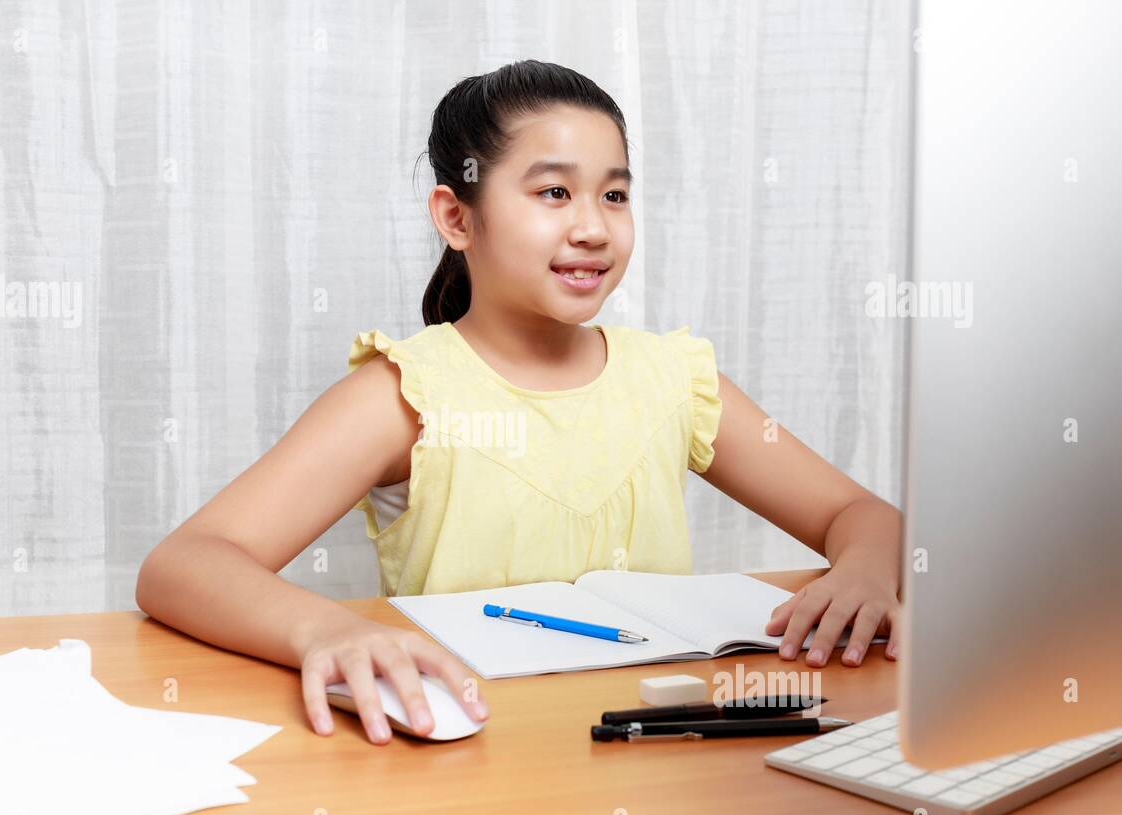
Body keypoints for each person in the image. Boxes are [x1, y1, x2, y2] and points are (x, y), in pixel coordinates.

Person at [136, 60, 902, 746]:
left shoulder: (674, 377)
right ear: (457, 217)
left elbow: (863, 516)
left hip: (659, 751)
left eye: (615, 194)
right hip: (481, 758)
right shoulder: (404, 393)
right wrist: (323, 629)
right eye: (554, 192)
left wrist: (863, 570)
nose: (594, 227)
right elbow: (185, 564)